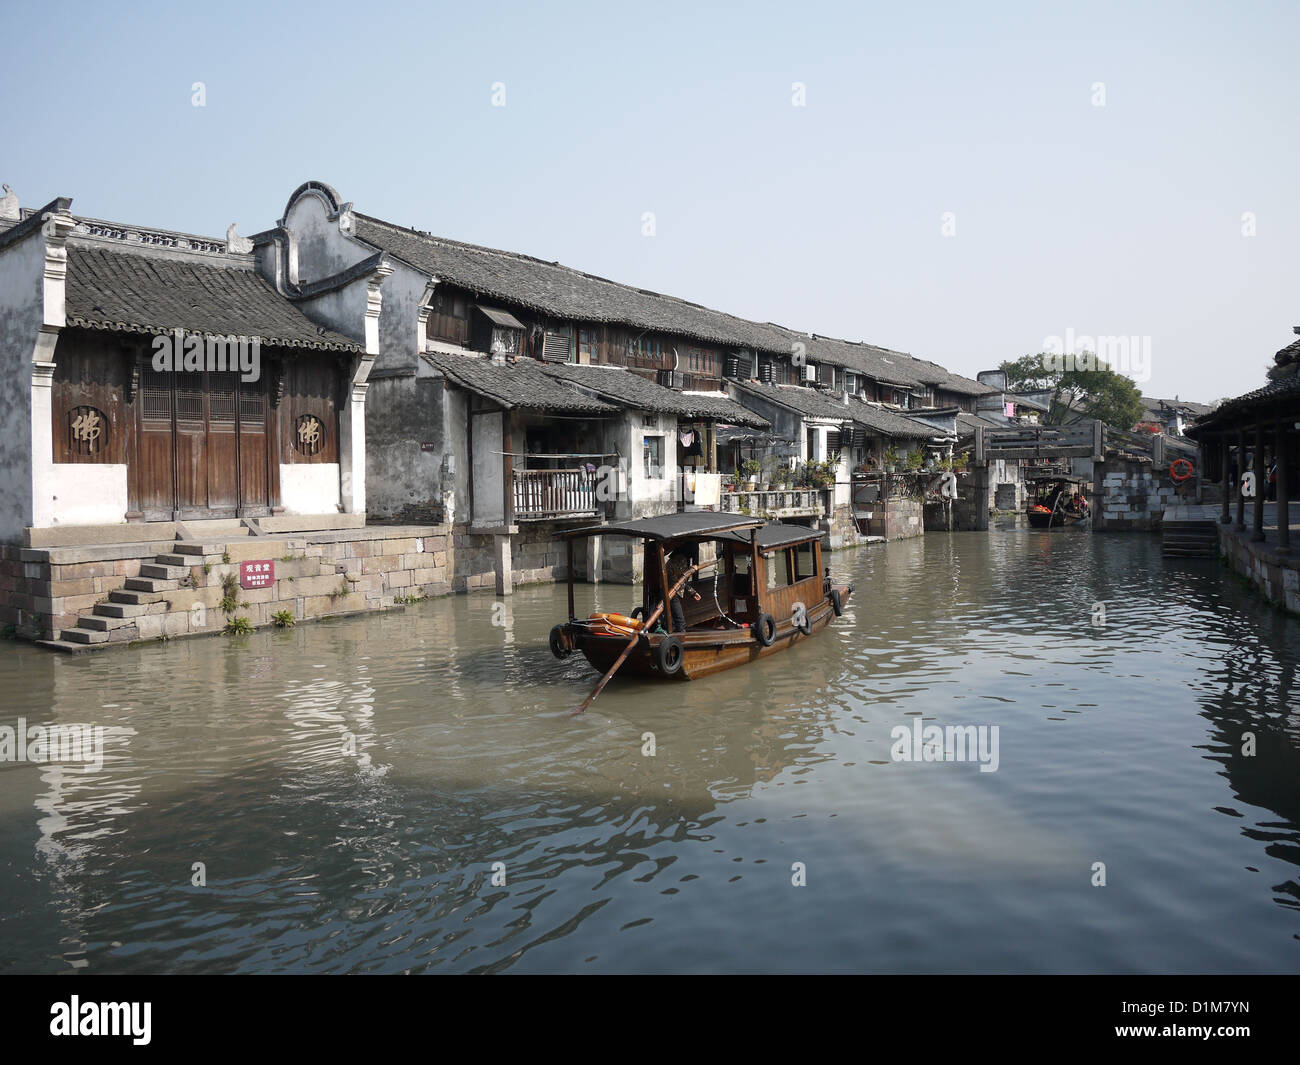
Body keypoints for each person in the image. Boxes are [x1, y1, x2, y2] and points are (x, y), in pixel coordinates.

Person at [663, 550, 702, 633]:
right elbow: (680, 581)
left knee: (674, 621)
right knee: (680, 622)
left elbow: (682, 580)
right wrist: (691, 570)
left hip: (672, 591)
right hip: (672, 592)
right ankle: (681, 639)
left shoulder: (674, 560)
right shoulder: (680, 559)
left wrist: (693, 592)